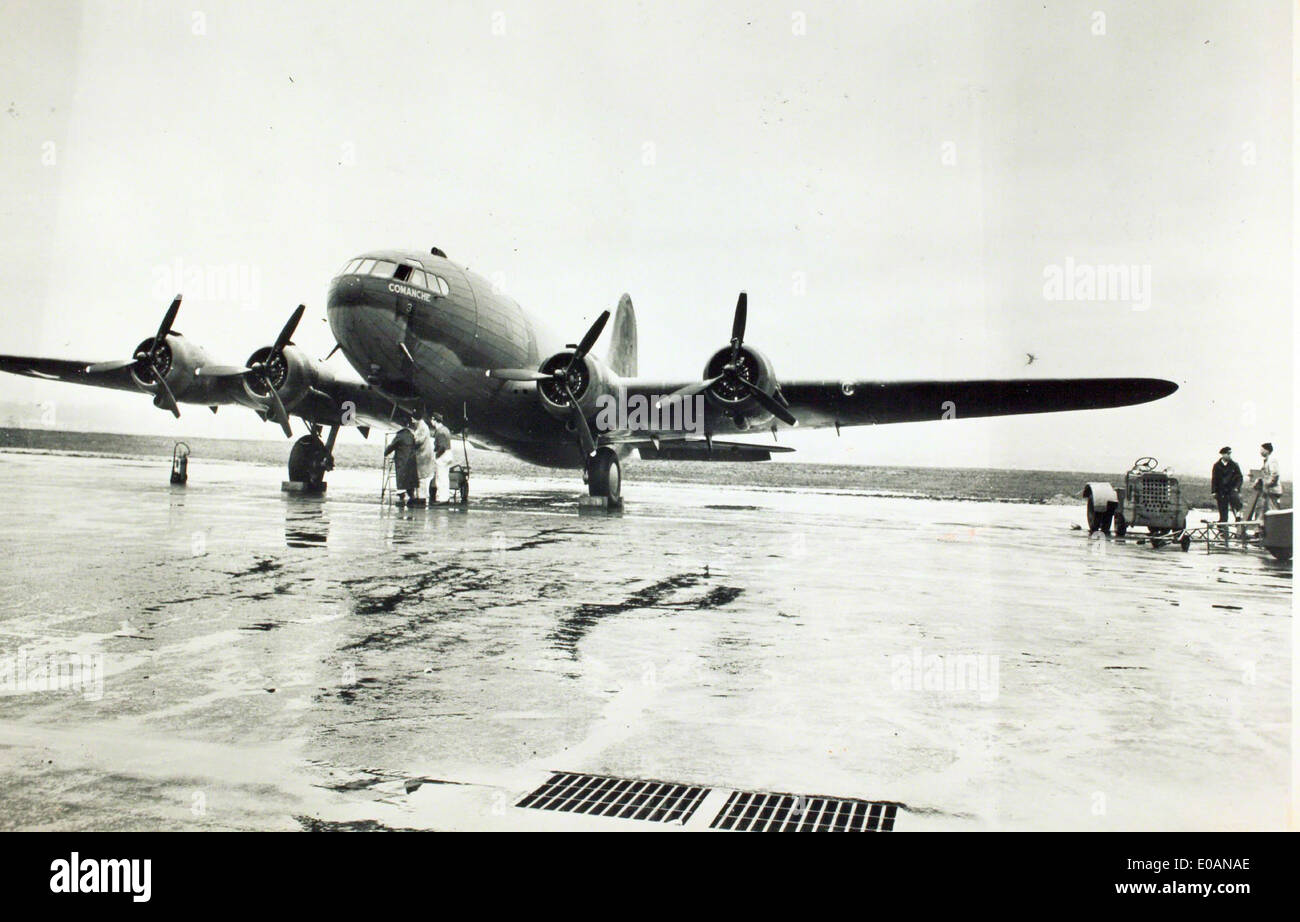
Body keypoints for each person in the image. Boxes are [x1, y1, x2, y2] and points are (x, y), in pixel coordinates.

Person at [384, 420, 422, 507]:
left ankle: (401, 499)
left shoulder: (400, 436)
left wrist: (385, 453)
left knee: (401, 481)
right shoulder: (411, 435)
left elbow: (392, 446)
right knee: (410, 481)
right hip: (411, 462)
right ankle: (412, 497)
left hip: (402, 461)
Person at [1210, 445, 1243, 523]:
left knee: (1237, 507)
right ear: (1223, 454)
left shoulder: (1234, 465)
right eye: (1227, 454)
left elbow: (1240, 478)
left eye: (1230, 454)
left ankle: (1239, 527)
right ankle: (1223, 531)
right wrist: (1214, 491)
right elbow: (1214, 479)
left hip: (1231, 491)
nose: (1229, 455)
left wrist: (1236, 488)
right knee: (1223, 513)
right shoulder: (1217, 466)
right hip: (1221, 492)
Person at [1249, 442, 1282, 516]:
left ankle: (1275, 526)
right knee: (1265, 509)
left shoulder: (1272, 460)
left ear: (1267, 451)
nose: (1260, 452)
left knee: (1273, 511)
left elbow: (1275, 475)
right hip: (1268, 491)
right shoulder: (1267, 460)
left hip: (1272, 491)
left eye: (1262, 450)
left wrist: (1266, 484)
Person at [430, 412, 454, 503]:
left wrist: (436, 456)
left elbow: (442, 447)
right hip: (448, 454)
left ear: (435, 420)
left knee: (440, 478)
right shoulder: (446, 429)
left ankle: (441, 498)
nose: (431, 422)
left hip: (443, 456)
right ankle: (445, 497)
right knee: (445, 477)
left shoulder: (440, 431)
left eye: (432, 420)